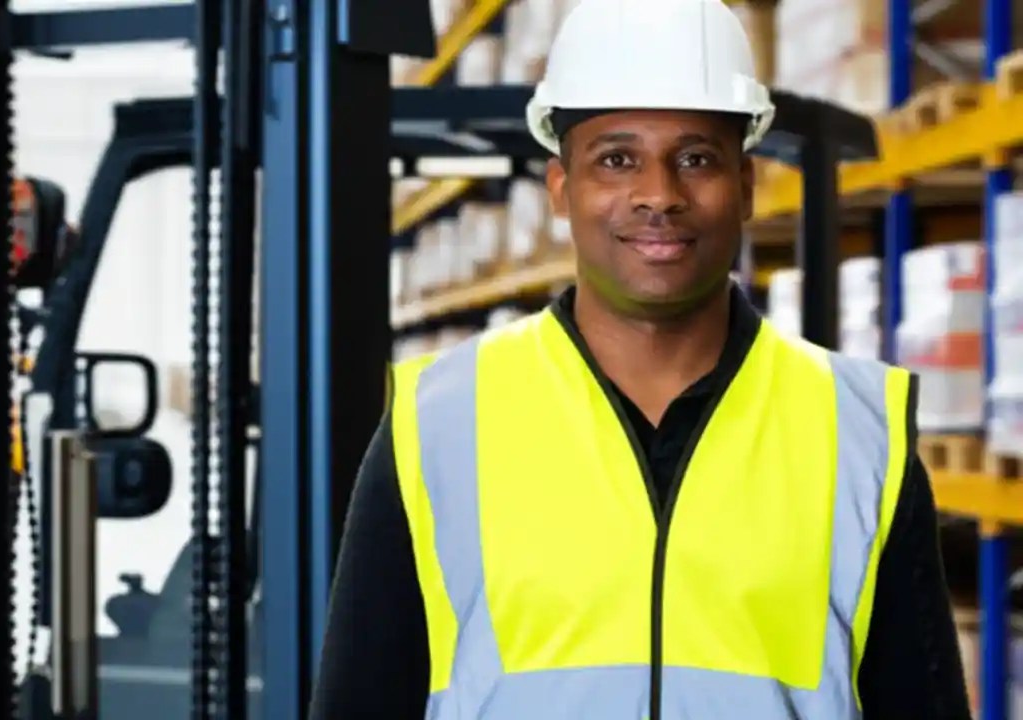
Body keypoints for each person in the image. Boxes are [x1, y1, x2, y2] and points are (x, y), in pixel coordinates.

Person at [309, 0, 971, 717]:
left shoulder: (859, 432)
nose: (659, 195)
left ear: (745, 187)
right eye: (617, 159)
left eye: (696, 158)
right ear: (562, 189)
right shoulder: (435, 426)